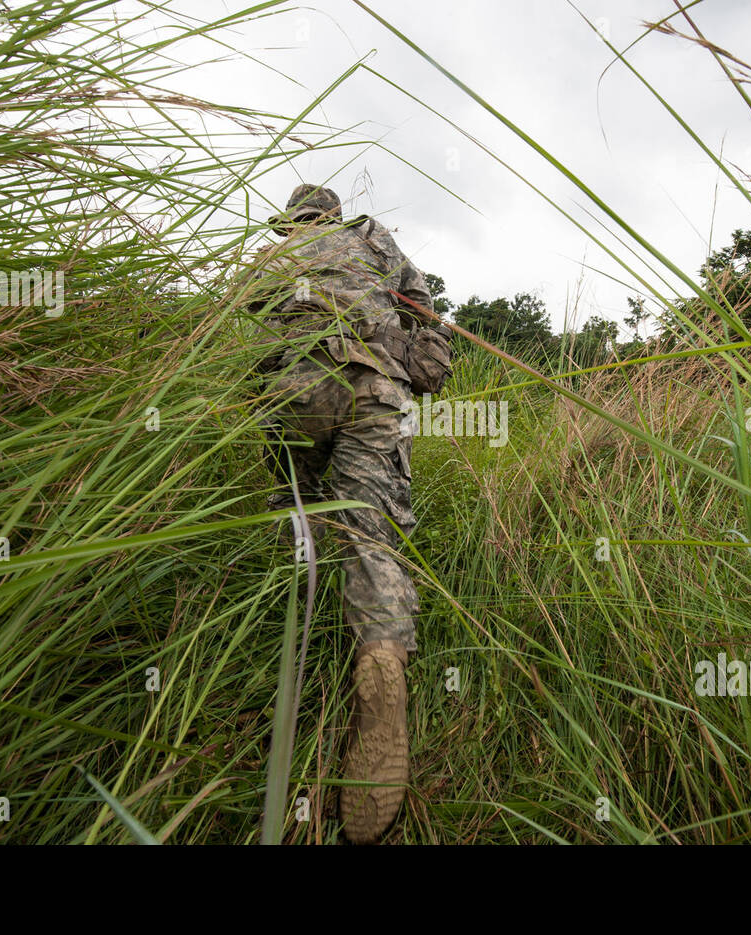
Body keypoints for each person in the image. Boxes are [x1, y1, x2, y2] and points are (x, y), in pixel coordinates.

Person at [250, 183, 450, 844]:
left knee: (299, 527)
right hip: (373, 386)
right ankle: (380, 658)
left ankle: (291, 652)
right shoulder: (372, 238)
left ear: (292, 223)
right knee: (371, 539)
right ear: (334, 215)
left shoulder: (272, 258)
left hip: (294, 389)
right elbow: (423, 308)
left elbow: (246, 330)